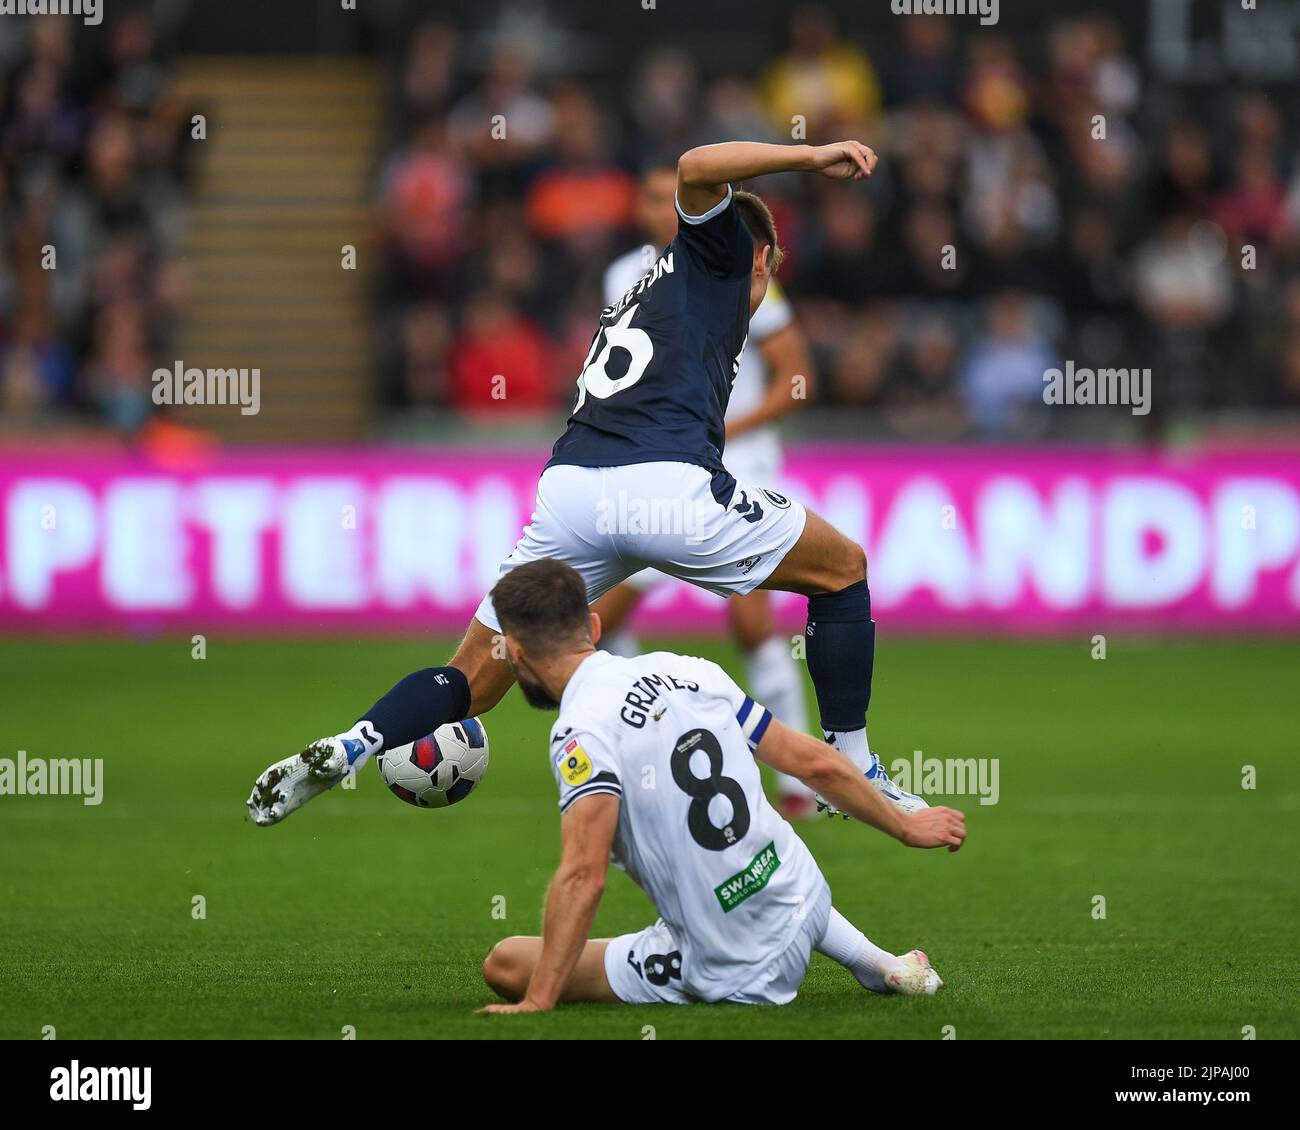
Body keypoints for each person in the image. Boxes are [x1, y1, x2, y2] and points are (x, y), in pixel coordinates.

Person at [247, 139, 926, 826]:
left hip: (571, 492)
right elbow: (694, 166)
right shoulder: (717, 252)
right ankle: (855, 764)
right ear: (760, 257)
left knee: (473, 681)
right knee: (842, 570)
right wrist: (810, 159)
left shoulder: (641, 285)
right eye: (768, 267)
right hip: (666, 486)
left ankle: (354, 742)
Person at [476, 559, 965, 1011]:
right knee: (749, 852)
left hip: (740, 968)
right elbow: (816, 763)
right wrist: (905, 825)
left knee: (506, 961)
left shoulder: (580, 732)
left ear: (515, 650)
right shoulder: (688, 670)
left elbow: (585, 875)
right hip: (807, 894)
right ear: (595, 627)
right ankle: (877, 962)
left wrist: (538, 1000)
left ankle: (713, 948)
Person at [592, 161, 819, 818]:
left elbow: (797, 381)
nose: (662, 208)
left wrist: (722, 423)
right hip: (662, 466)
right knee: (602, 616)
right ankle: (645, 746)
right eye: (651, 196)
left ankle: (800, 777)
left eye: (674, 198)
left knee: (749, 620)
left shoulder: (743, 271)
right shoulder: (621, 275)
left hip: (739, 463)